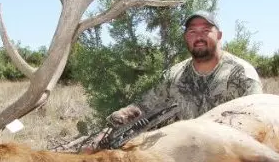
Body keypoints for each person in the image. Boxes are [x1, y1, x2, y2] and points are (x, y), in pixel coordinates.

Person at [108, 10, 263, 126]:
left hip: (226, 160)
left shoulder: (242, 75)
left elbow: (256, 123)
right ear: (186, 37)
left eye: (206, 30)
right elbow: (144, 107)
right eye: (192, 31)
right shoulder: (173, 75)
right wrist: (120, 118)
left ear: (219, 35)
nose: (199, 36)